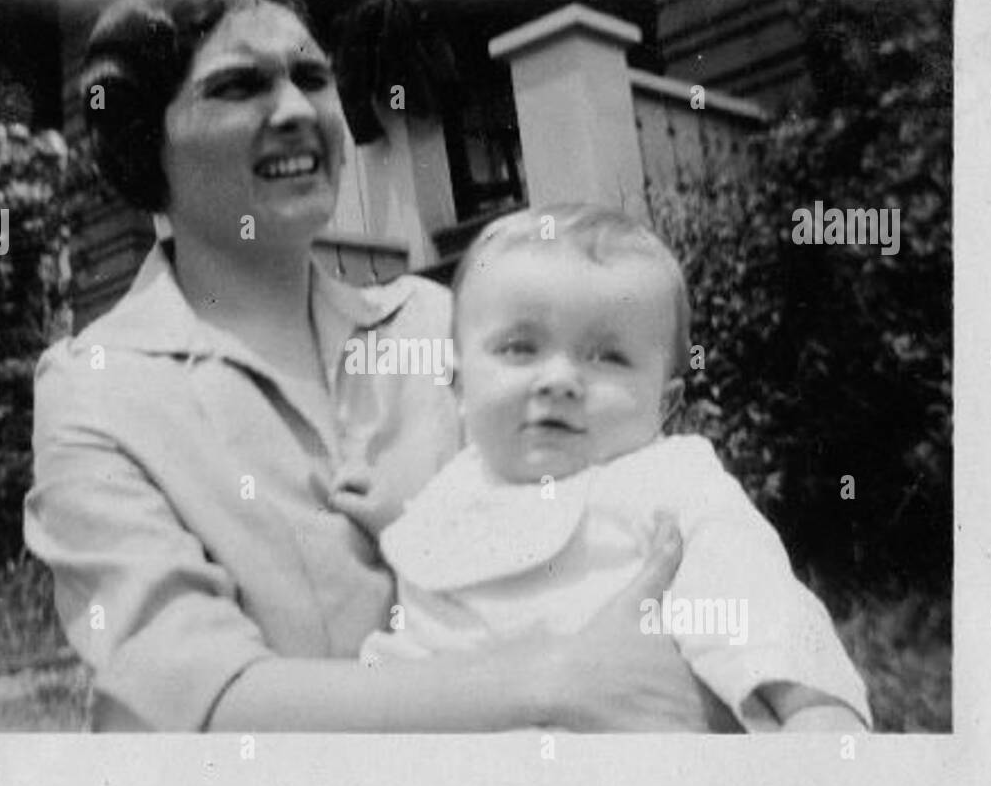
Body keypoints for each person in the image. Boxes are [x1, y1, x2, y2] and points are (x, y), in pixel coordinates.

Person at [23, 0, 722, 732]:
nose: (295, 108)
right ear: (145, 141)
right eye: (237, 85)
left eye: (311, 76)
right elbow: (205, 703)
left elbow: (626, 535)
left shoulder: (439, 327)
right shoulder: (96, 387)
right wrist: (554, 679)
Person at [361, 205, 871, 731]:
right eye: (520, 348)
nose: (559, 379)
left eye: (608, 357)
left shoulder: (668, 480)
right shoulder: (445, 502)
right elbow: (409, 669)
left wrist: (812, 708)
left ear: (665, 403)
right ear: (458, 384)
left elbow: (752, 596)